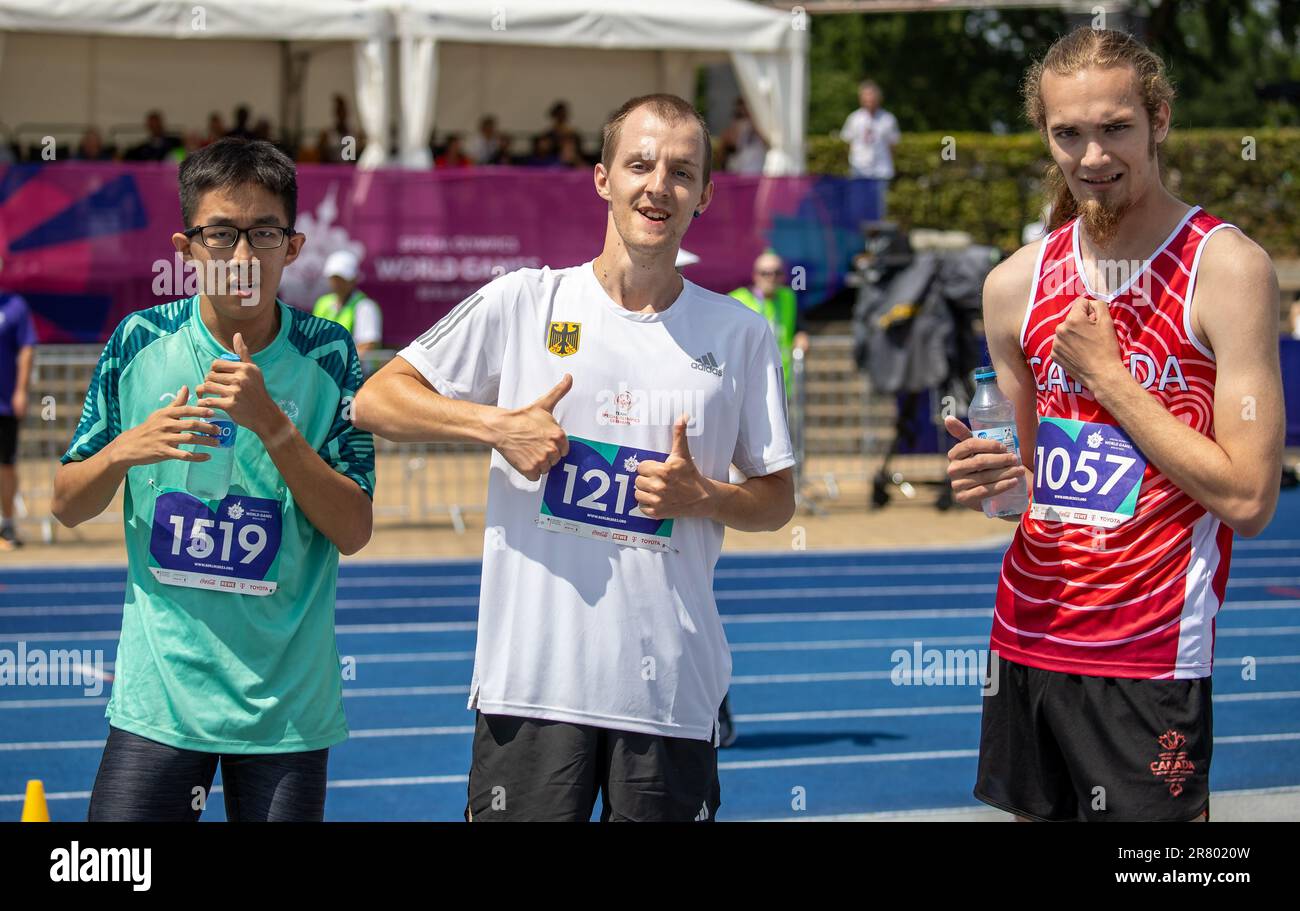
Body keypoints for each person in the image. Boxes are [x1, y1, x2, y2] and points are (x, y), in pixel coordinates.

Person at [353, 93, 796, 822]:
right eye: (640, 164)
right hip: (532, 688)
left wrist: (706, 497)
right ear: (602, 178)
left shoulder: (741, 332)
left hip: (670, 697)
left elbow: (777, 500)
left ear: (706, 195)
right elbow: (377, 399)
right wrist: (496, 425)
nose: (659, 186)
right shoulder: (524, 301)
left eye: (683, 172)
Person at [944, 27, 1284, 822]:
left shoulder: (1226, 269)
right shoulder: (1013, 286)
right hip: (1029, 634)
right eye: (1069, 134)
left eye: (1115, 128)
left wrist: (1110, 379)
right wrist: (992, 483)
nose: (1093, 155)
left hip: (1150, 650)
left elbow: (1250, 498)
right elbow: (1023, 487)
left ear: (1158, 118)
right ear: (1046, 137)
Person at [52, 137, 376, 821]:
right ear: (185, 245)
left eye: (263, 234)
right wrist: (122, 452)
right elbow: (66, 505)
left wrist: (274, 426)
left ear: (293, 246)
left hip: (283, 708)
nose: (241, 257)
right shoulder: (137, 342)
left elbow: (353, 528)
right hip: (159, 702)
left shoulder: (328, 354)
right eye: (221, 233)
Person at [730, 250, 809, 402]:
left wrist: (801, 336)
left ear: (784, 276)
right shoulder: (737, 299)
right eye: (765, 273)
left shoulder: (788, 297)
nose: (771, 278)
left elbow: (799, 327)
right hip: (746, 387)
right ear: (755, 276)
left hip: (782, 383)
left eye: (777, 273)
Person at [0, 286, 36, 551]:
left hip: (3, 403)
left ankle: (7, 525)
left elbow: (26, 349)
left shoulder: (14, 306)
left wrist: (21, 391)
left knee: (6, 465)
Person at [839, 81, 900, 221]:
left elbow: (893, 145)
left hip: (880, 170)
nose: (869, 101)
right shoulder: (854, 118)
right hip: (859, 169)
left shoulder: (888, 119)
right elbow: (847, 142)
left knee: (879, 206)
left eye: (872, 97)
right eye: (866, 97)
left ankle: (877, 238)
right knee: (858, 205)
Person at [314, 250, 384, 367]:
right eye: (334, 278)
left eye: (342, 278)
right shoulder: (322, 303)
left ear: (354, 279)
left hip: (359, 376)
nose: (337, 283)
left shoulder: (365, 307)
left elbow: (368, 344)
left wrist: (336, 364)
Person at [721, 98, 767, 175]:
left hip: (756, 172)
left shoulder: (762, 126)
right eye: (739, 114)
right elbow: (730, 144)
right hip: (738, 171)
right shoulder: (738, 126)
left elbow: (767, 142)